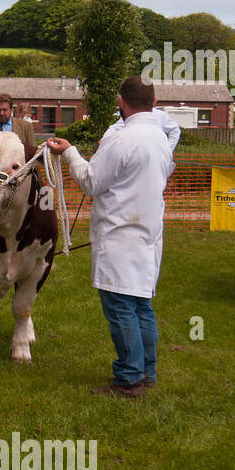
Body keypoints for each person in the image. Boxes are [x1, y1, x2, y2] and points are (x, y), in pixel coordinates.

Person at [46, 76, 172, 397]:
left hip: (120, 234)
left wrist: (71, 152)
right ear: (153, 102)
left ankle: (130, 379)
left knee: (121, 306)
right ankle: (147, 371)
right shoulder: (160, 137)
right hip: (148, 233)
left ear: (121, 101)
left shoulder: (121, 139)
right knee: (141, 304)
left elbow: (91, 182)